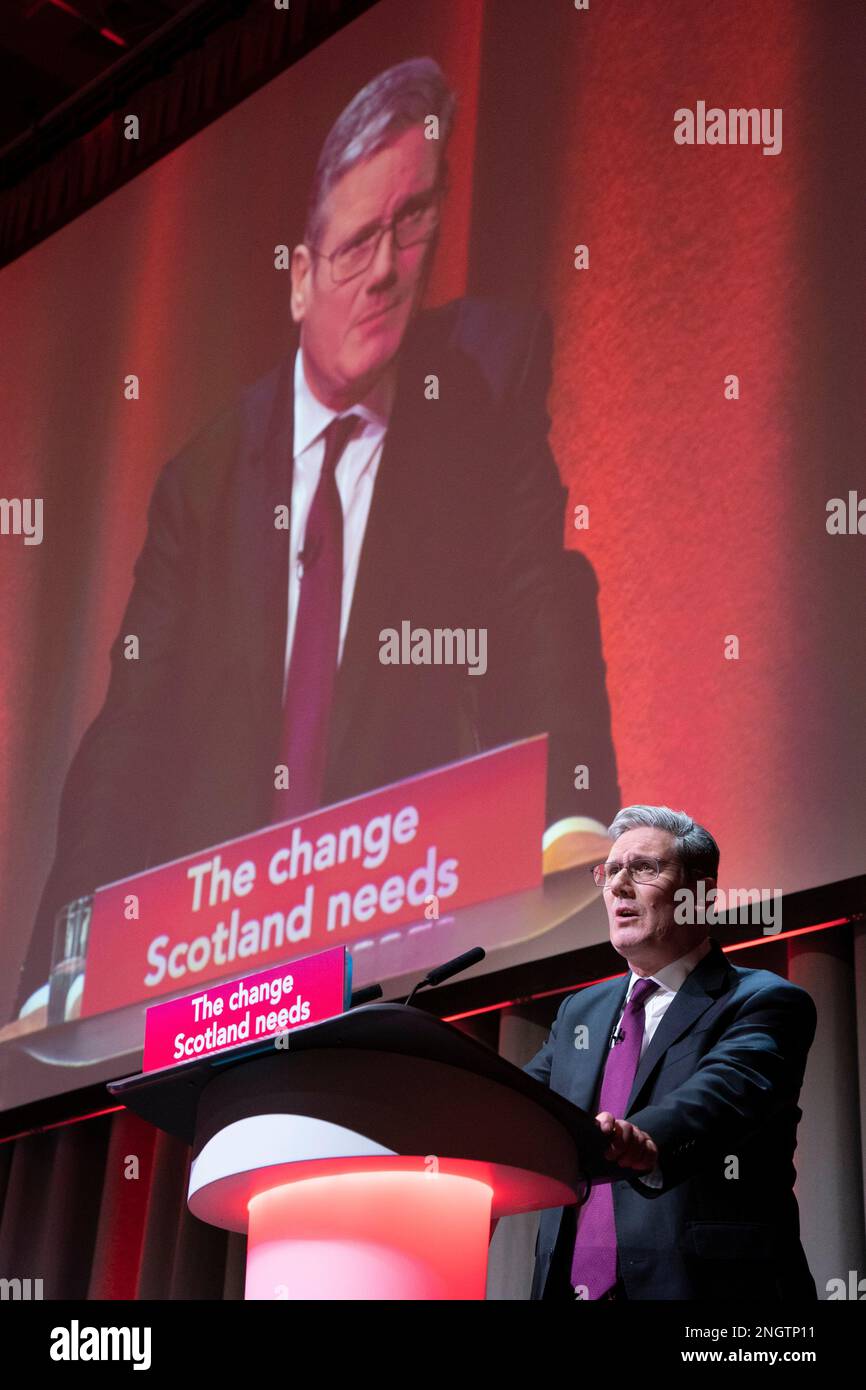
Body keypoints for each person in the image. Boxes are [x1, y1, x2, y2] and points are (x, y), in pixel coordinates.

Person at [15, 57, 619, 1015]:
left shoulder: (478, 393)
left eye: (412, 221)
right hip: (220, 980)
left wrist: (577, 829)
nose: (385, 270)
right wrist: (62, 969)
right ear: (299, 278)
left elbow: (542, 602)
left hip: (409, 961)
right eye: (355, 244)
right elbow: (130, 733)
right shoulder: (204, 481)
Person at [524, 804, 818, 1300]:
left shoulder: (763, 1001)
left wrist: (645, 1138)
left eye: (643, 868)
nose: (618, 885)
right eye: (611, 870)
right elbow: (524, 1103)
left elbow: (722, 1093)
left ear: (700, 894)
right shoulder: (582, 1012)